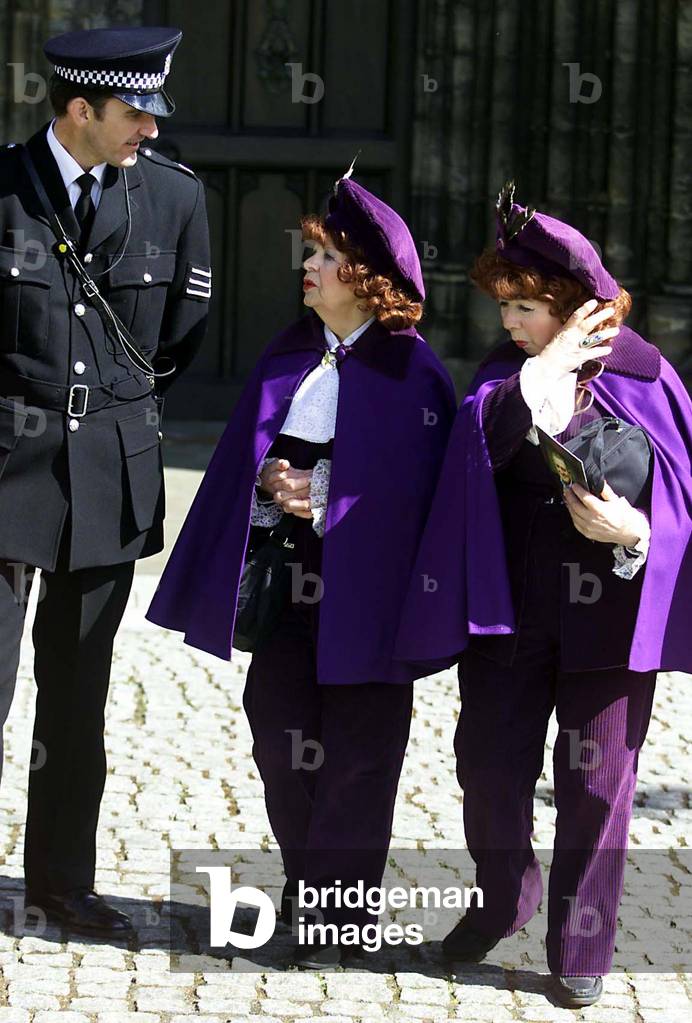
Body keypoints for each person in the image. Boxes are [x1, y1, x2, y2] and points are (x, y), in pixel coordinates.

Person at [146, 171, 456, 967]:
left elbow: (426, 498)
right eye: (310, 251)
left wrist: (324, 495)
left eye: (323, 254)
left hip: (374, 596)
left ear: (365, 276)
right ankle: (311, 884)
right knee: (279, 733)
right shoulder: (291, 351)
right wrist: (265, 489)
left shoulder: (414, 374)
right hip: (292, 581)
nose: (306, 265)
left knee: (359, 755)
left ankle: (333, 916)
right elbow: (240, 463)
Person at [396, 183, 691, 1007]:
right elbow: (475, 447)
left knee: (597, 782)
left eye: (525, 306)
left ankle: (581, 942)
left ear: (573, 305)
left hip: (611, 620)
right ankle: (501, 899)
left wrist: (632, 532)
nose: (510, 321)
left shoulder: (650, 377)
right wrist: (542, 374)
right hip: (511, 610)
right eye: (504, 304)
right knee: (488, 766)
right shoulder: (505, 376)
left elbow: (682, 504)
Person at [0, 26, 211, 935]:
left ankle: (59, 884)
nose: (151, 133)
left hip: (109, 480)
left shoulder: (174, 199)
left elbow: (179, 339)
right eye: (135, 114)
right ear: (79, 110)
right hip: (7, 469)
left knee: (78, 697)